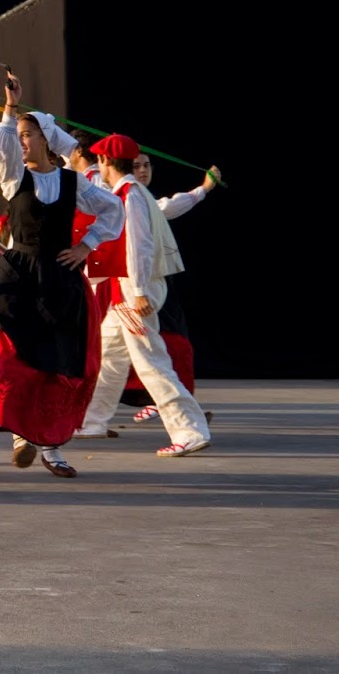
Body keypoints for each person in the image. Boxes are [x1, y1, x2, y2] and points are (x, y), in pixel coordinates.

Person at [0, 78, 122, 477]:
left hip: (59, 279)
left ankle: (52, 446)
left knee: (58, 362)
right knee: (19, 357)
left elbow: (112, 210)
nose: (21, 142)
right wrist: (10, 111)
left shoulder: (73, 182)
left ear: (46, 140)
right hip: (18, 276)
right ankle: (23, 436)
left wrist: (86, 246)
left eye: (28, 135)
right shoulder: (13, 176)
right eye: (20, 136)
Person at [74, 135, 213, 456]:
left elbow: (138, 246)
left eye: (100, 160)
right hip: (129, 289)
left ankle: (190, 429)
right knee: (110, 354)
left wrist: (137, 292)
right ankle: (93, 420)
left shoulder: (130, 196)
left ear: (108, 161)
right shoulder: (130, 193)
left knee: (151, 360)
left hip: (134, 289)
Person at [122, 154, 222, 421]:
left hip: (152, 285)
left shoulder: (142, 199)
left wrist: (203, 189)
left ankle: (173, 405)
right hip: (135, 287)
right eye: (136, 166)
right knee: (141, 348)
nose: (143, 171)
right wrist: (203, 189)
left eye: (146, 165)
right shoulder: (129, 198)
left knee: (165, 346)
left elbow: (169, 206)